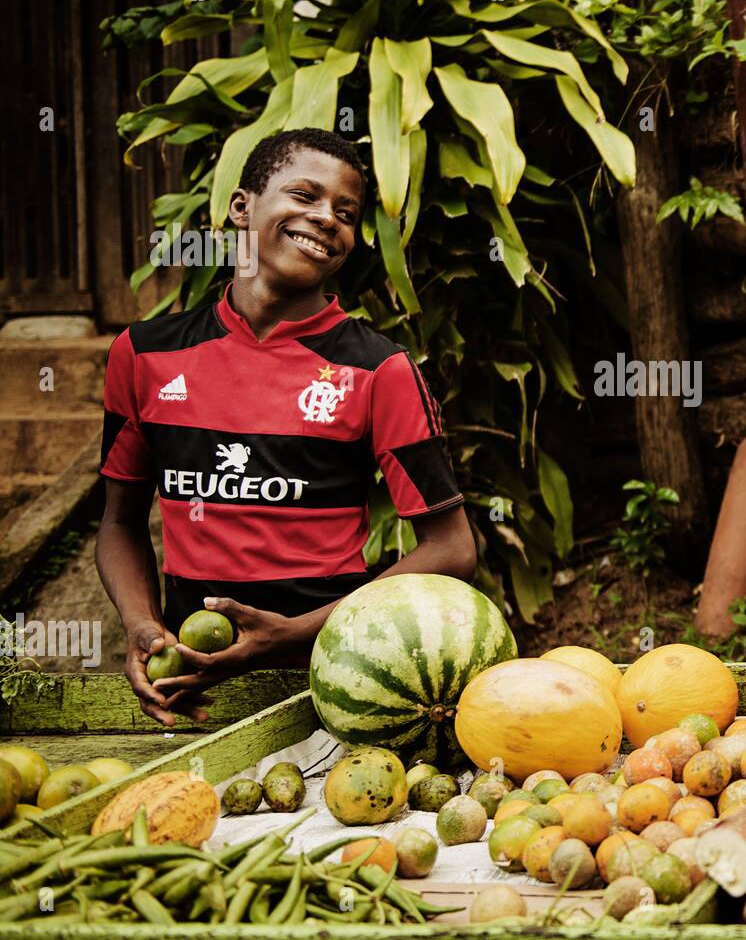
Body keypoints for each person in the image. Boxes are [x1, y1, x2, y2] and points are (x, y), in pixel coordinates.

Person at [97, 128, 477, 726]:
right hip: (194, 692)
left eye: (346, 213)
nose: (327, 218)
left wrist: (293, 634)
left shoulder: (380, 370)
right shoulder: (144, 355)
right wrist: (144, 625)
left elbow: (452, 549)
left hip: (336, 687)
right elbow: (119, 523)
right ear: (241, 206)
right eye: (305, 195)